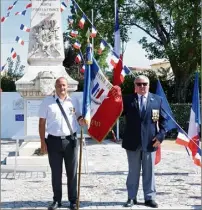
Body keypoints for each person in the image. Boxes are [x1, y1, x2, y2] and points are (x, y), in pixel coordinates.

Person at [38, 77, 85, 210]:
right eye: (59, 86)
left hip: (71, 141)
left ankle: (73, 200)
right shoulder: (47, 102)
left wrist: (83, 120)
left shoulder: (74, 101)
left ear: (67, 86)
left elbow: (79, 117)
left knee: (72, 173)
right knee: (56, 173)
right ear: (55, 87)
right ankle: (57, 200)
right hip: (53, 141)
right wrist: (42, 141)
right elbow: (41, 123)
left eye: (64, 85)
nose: (62, 88)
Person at [122, 75, 167, 208]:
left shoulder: (157, 100)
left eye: (145, 84)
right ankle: (131, 197)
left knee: (149, 171)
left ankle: (149, 197)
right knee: (133, 171)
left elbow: (164, 121)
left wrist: (160, 137)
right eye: (139, 84)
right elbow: (115, 113)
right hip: (132, 142)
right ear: (135, 86)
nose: (142, 86)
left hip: (150, 141)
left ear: (148, 85)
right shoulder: (127, 100)